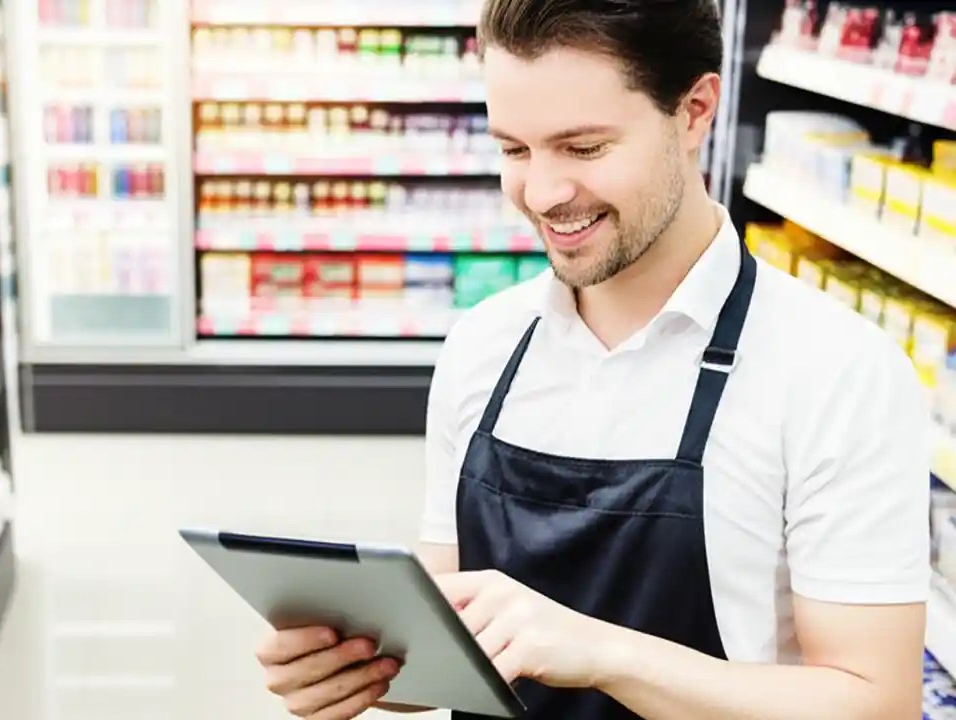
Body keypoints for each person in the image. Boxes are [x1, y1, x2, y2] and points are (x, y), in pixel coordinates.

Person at [253, 0, 932, 718]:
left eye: (583, 148)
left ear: (696, 110)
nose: (543, 195)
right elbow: (454, 641)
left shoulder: (837, 370)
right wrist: (356, 665)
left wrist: (603, 654)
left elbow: (874, 704)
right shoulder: (483, 347)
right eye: (514, 150)